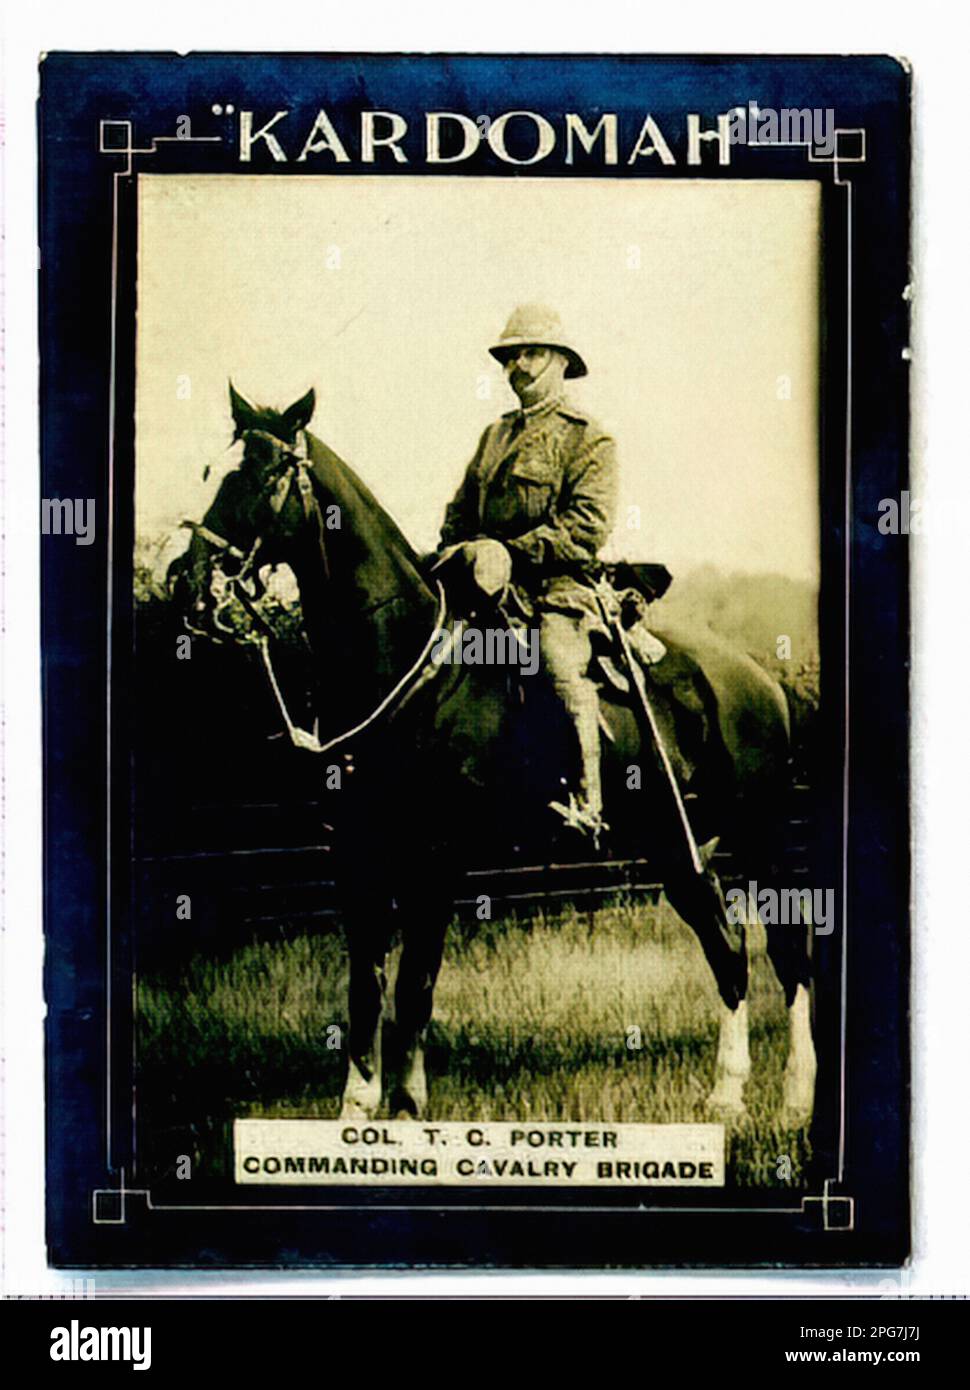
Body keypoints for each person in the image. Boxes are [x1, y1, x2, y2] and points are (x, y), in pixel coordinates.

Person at [436, 304, 618, 838]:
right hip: (486, 589)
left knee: (554, 661)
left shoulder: (589, 438)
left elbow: (586, 527)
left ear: (561, 361)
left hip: (558, 593)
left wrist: (511, 552)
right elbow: (459, 511)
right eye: (510, 356)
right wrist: (459, 550)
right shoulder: (494, 436)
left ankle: (587, 800)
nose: (518, 365)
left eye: (531, 352)